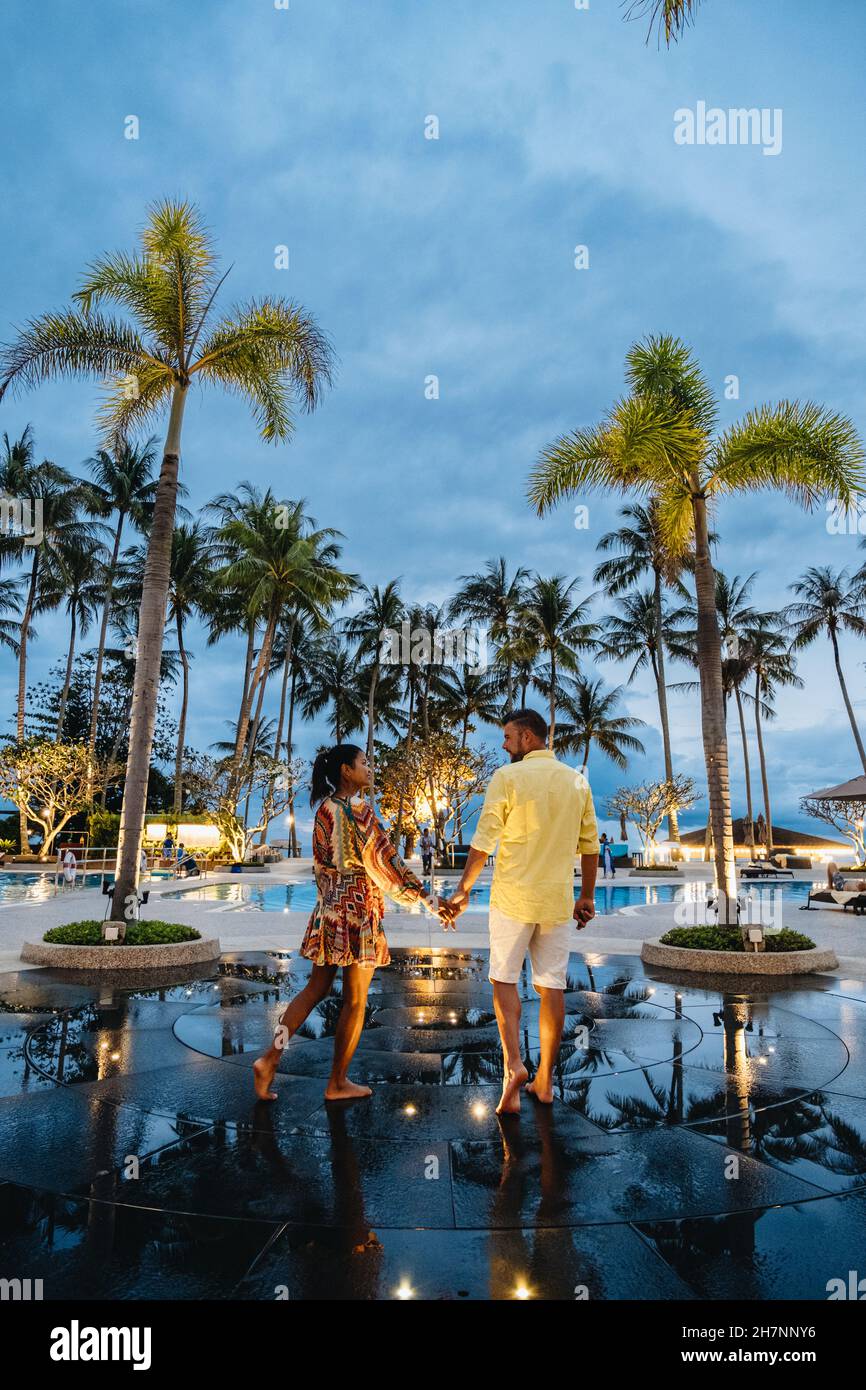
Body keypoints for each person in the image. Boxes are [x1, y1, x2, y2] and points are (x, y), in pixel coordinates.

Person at [253, 744, 451, 1103]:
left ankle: (270, 1057)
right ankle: (337, 1082)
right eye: (363, 762)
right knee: (355, 1002)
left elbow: (322, 866)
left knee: (313, 991)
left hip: (330, 911)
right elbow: (387, 862)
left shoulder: (324, 810)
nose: (369, 768)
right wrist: (428, 899)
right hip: (358, 912)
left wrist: (333, 899)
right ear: (346, 770)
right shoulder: (359, 812)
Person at [445, 708, 599, 1116]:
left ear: (528, 737)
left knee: (504, 979)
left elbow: (484, 840)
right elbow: (590, 845)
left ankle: (514, 1065)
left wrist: (462, 890)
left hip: (513, 899)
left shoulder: (508, 777)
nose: (504, 745)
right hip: (556, 901)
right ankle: (544, 1080)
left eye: (508, 737)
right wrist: (586, 896)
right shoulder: (576, 781)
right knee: (552, 987)